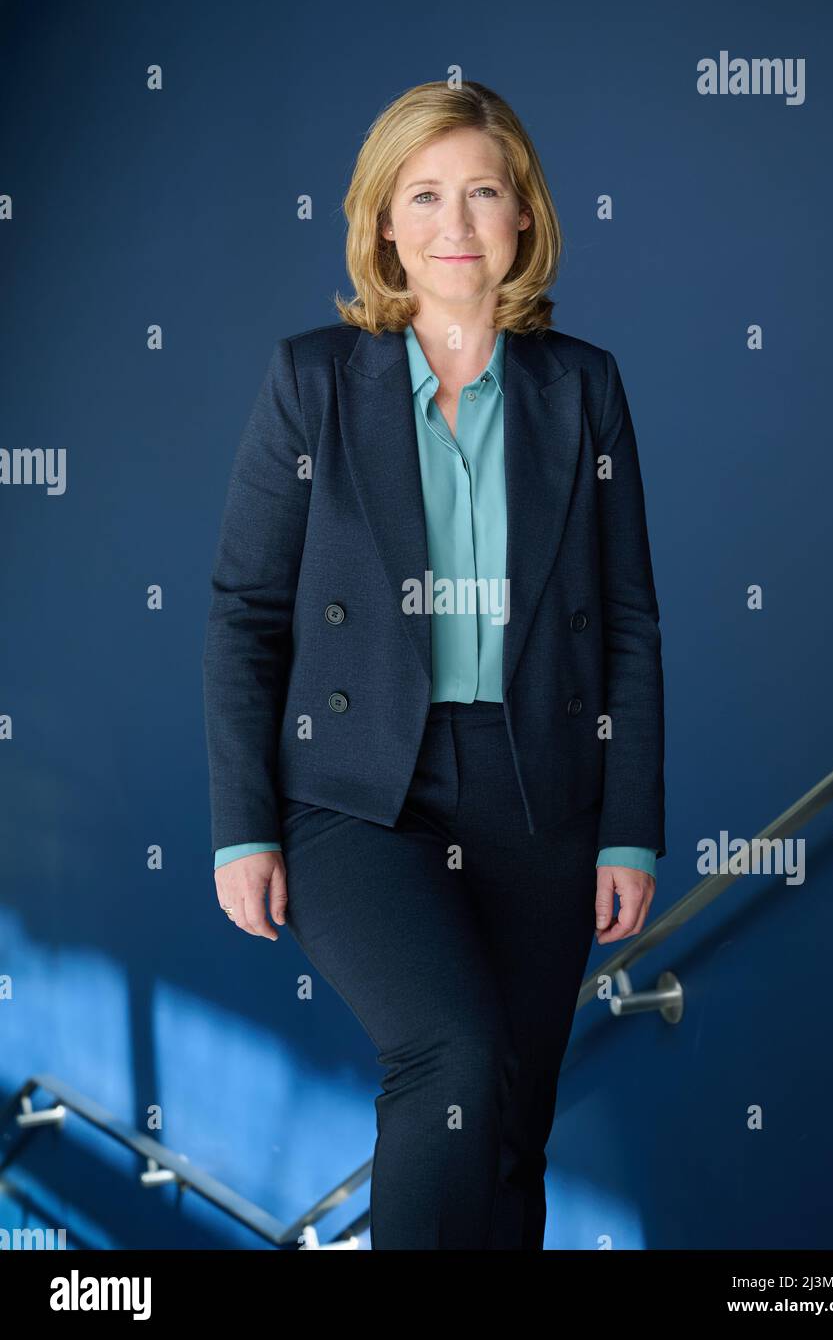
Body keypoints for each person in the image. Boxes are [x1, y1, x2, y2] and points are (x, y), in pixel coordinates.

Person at [202, 79, 665, 1250]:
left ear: (523, 219)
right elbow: (247, 611)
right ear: (384, 225)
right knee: (452, 1055)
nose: (455, 222)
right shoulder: (312, 383)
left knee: (512, 1121)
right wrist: (242, 826)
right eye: (425, 194)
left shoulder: (585, 387)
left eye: (482, 192)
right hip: (356, 794)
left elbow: (627, 623)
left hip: (542, 789)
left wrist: (628, 827)